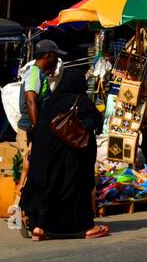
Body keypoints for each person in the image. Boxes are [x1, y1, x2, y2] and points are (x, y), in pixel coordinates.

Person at [20, 67, 108, 241]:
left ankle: (39, 227)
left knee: (48, 189)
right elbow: (95, 121)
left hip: (45, 161)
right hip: (71, 160)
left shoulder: (50, 103)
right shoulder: (81, 101)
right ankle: (84, 228)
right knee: (73, 189)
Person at [18, 38, 66, 150]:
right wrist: (37, 130)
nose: (57, 60)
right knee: (30, 166)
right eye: (55, 56)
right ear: (47, 56)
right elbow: (31, 101)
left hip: (36, 130)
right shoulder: (34, 73)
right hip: (29, 132)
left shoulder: (40, 74)